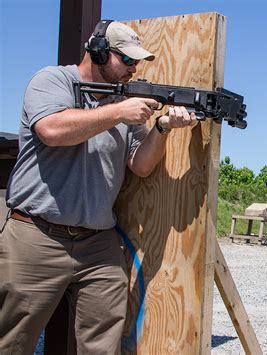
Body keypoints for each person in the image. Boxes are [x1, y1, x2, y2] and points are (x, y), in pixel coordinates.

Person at [0, 20, 196, 354]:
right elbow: (52, 130)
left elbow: (141, 165)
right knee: (13, 340)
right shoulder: (54, 80)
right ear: (100, 53)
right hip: (37, 234)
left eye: (137, 62)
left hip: (97, 244)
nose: (133, 70)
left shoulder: (126, 105)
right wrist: (119, 112)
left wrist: (162, 128)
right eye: (127, 60)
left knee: (104, 344)